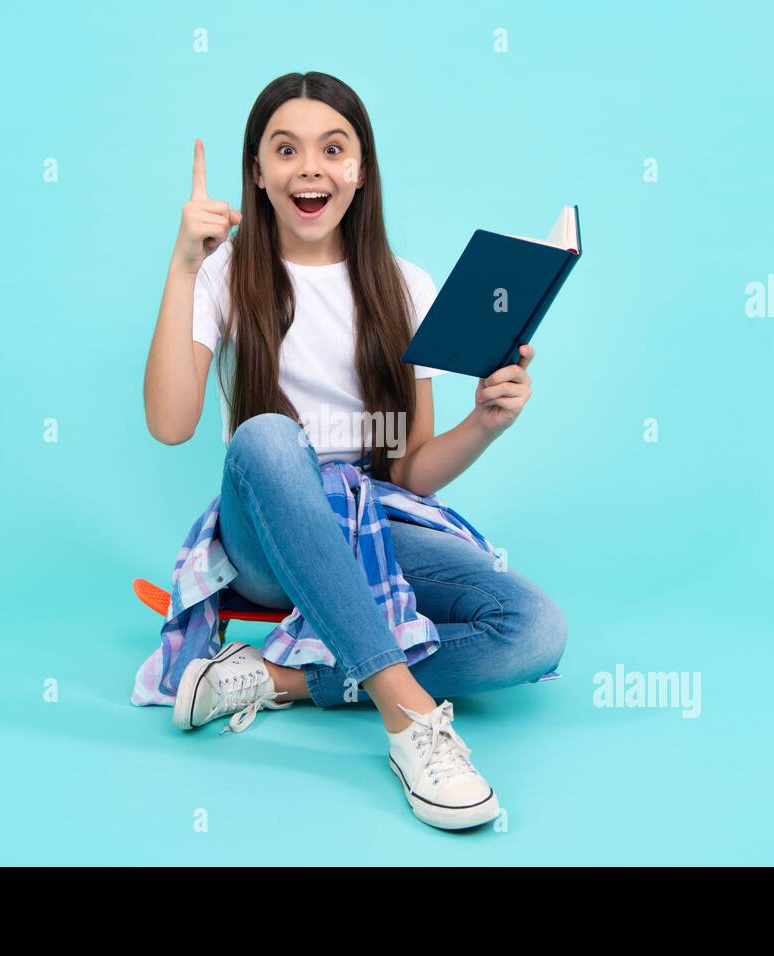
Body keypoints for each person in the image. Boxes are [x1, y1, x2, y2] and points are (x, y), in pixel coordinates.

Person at [142, 71, 567, 830]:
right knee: (269, 435)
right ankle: (408, 720)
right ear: (259, 174)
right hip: (272, 538)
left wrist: (485, 424)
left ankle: (275, 678)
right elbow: (171, 425)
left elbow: (411, 473)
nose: (310, 167)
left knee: (534, 631)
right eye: (286, 151)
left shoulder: (407, 287)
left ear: (360, 169)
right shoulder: (226, 274)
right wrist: (182, 264)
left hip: (376, 522)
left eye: (333, 149)